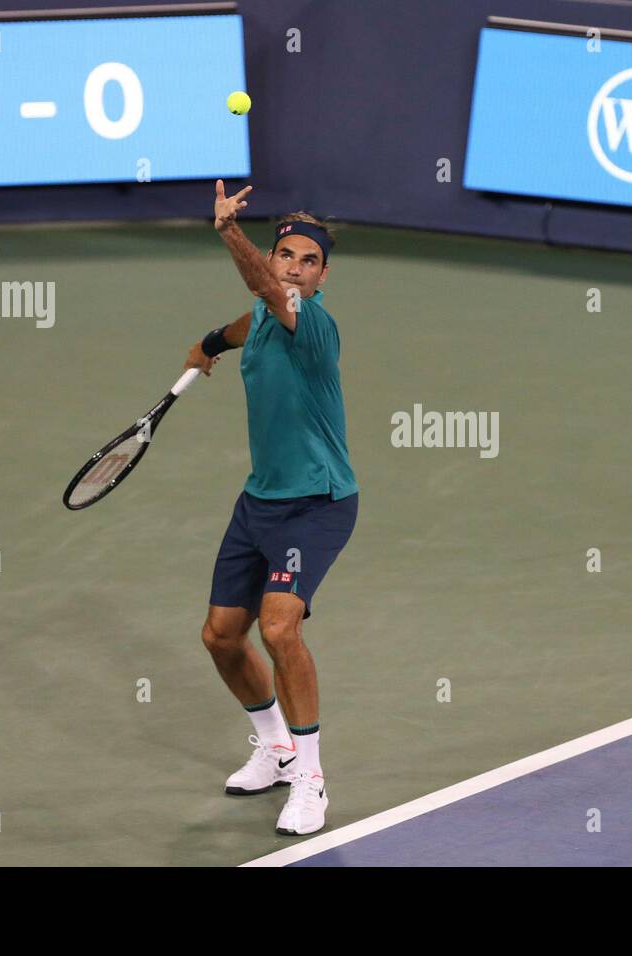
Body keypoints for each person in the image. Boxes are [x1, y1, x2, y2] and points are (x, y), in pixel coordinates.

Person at [183, 180, 358, 835]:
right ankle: (277, 747)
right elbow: (246, 317)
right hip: (260, 501)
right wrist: (210, 344)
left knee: (279, 628)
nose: (294, 265)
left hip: (318, 503)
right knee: (221, 637)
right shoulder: (262, 312)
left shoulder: (311, 322)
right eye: (286, 253)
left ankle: (311, 780)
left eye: (308, 260)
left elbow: (264, 293)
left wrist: (229, 231)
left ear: (322, 275)